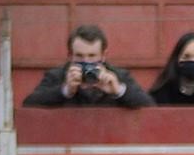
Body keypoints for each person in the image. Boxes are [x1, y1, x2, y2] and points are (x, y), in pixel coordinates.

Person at [22, 24, 154, 109]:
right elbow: (29, 105)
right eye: (79, 56)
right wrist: (65, 91)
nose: (86, 61)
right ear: (70, 55)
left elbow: (150, 107)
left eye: (92, 56)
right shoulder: (57, 76)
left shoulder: (118, 76)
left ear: (103, 56)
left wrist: (118, 91)